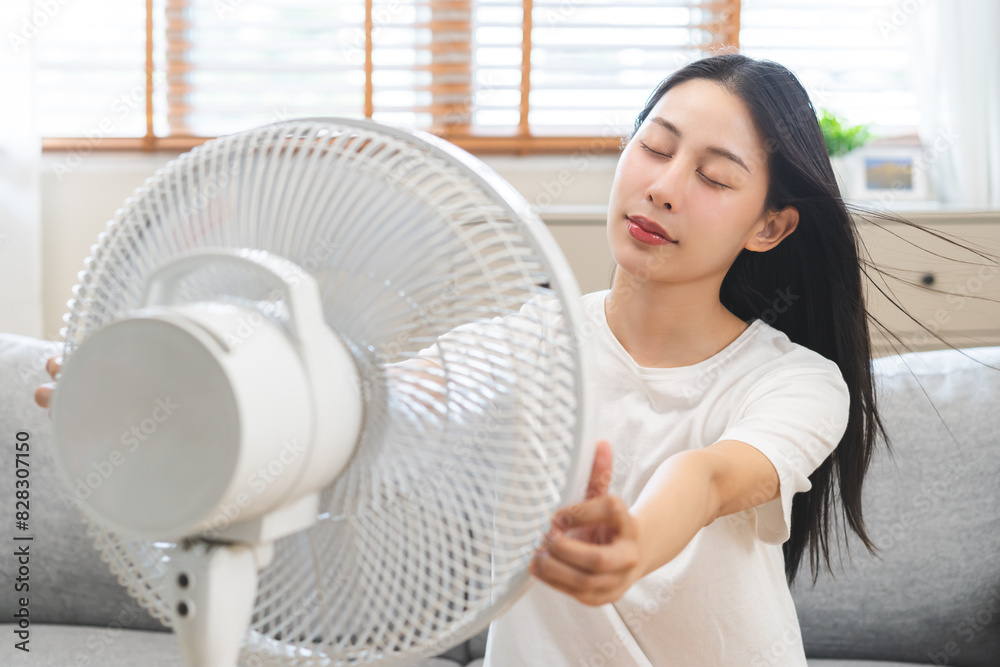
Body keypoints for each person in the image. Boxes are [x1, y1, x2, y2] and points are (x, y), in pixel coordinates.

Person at [34, 53, 995, 666]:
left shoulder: (793, 381)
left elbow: (708, 477)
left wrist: (631, 541)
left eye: (712, 176)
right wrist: (151, 396)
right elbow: (351, 405)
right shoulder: (527, 341)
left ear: (772, 224)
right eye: (652, 149)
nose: (662, 188)